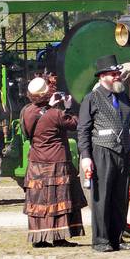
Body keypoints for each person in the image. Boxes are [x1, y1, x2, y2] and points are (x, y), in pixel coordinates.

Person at [77, 56, 130, 252]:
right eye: (114, 74)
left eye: (118, 73)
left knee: (120, 199)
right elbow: (83, 130)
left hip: (124, 152)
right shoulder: (91, 99)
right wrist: (86, 156)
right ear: (103, 76)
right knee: (101, 198)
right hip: (101, 152)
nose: (118, 76)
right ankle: (101, 241)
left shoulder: (124, 97)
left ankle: (117, 239)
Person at [20, 76, 85, 248]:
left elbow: (28, 131)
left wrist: (49, 105)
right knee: (58, 201)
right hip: (57, 161)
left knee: (39, 202)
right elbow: (75, 124)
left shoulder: (26, 112)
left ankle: (38, 238)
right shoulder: (56, 114)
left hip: (36, 163)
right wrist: (69, 107)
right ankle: (59, 237)